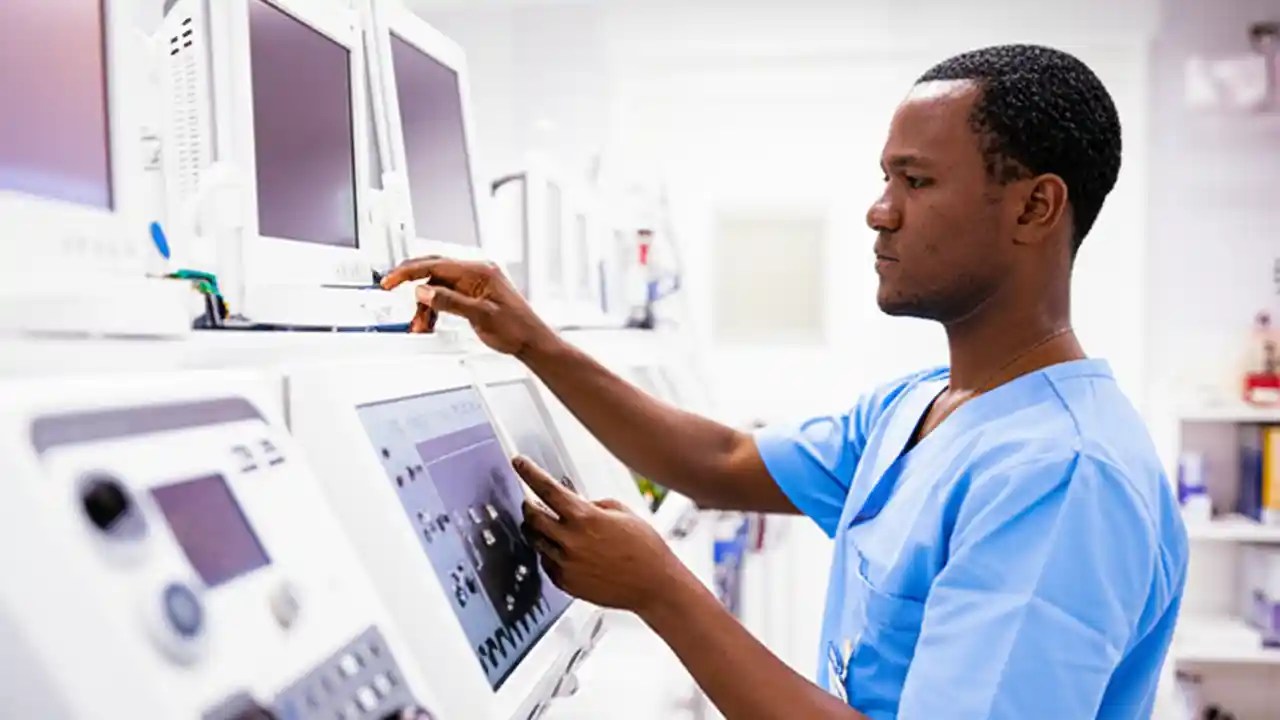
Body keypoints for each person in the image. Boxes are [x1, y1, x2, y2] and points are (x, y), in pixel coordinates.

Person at [382, 44, 1187, 719]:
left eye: (917, 182)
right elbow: (720, 460)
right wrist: (531, 342)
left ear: (1034, 209)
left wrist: (661, 590)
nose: (880, 212)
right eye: (886, 180)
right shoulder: (923, 405)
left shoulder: (1061, 477)